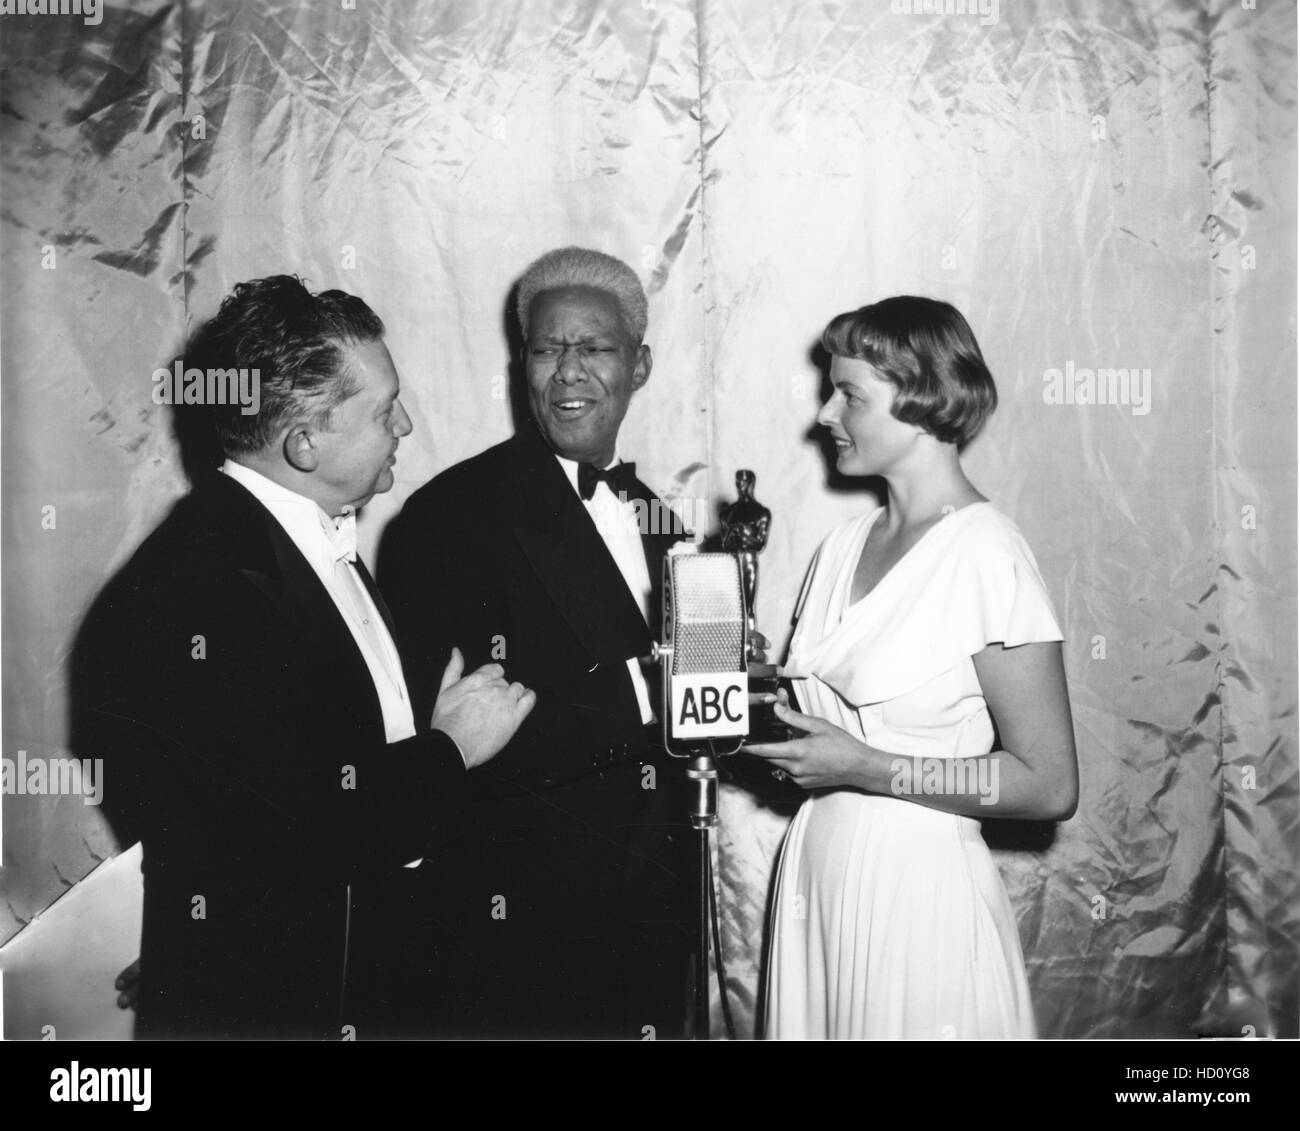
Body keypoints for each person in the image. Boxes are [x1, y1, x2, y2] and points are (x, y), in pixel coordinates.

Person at [74, 275, 534, 1040]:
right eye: (385, 409)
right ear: (304, 443)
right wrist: (451, 746)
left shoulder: (303, 542)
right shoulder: (195, 584)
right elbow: (310, 823)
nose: (407, 424)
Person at [371, 247, 692, 1038]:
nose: (569, 371)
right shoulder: (448, 518)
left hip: (652, 920)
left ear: (640, 365)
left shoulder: (665, 522)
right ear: (523, 363)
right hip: (511, 937)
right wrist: (643, 689)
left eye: (596, 348)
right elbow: (432, 741)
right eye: (549, 348)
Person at [747, 296, 1078, 1040]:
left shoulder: (987, 554)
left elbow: (1050, 783)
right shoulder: (841, 546)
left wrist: (868, 767)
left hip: (919, 897)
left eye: (850, 395)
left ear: (923, 396)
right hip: (818, 880)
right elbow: (822, 729)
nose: (826, 414)